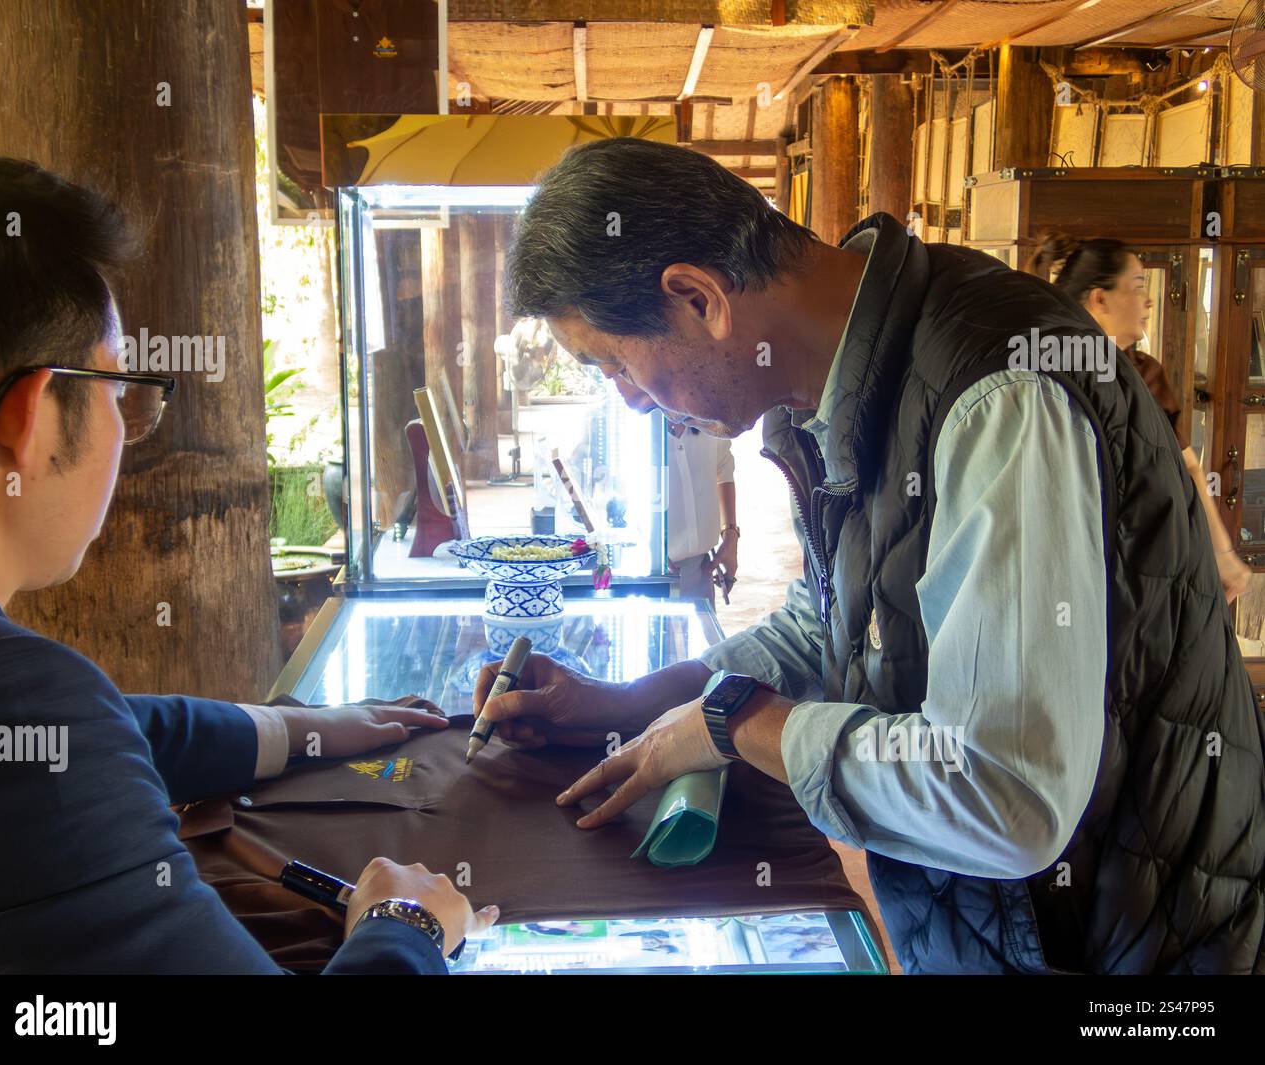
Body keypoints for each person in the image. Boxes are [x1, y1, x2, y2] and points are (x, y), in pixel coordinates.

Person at [473, 137, 1265, 975]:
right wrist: (628, 701)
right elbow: (832, 623)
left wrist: (734, 724)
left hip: (1136, 956)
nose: (630, 402)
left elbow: (1007, 795)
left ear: (697, 297)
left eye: (614, 366)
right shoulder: (827, 383)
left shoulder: (997, 394)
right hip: (1003, 930)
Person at [0, 148, 496, 974]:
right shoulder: (9, 691)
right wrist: (403, 924)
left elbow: (100, 728)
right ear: (30, 416)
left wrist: (298, 729)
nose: (123, 425)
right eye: (119, 388)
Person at [1034, 232, 1251, 603]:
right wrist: (1222, 554)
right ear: (1100, 298)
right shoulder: (1055, 369)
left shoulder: (1138, 372)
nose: (1149, 300)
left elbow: (1188, 468)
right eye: (1137, 286)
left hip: (1123, 562)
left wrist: (1221, 552)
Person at [665, 423, 738, 606]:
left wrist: (730, 535)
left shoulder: (709, 416)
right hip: (650, 574)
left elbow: (724, 471)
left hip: (701, 569)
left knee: (704, 633)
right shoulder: (630, 421)